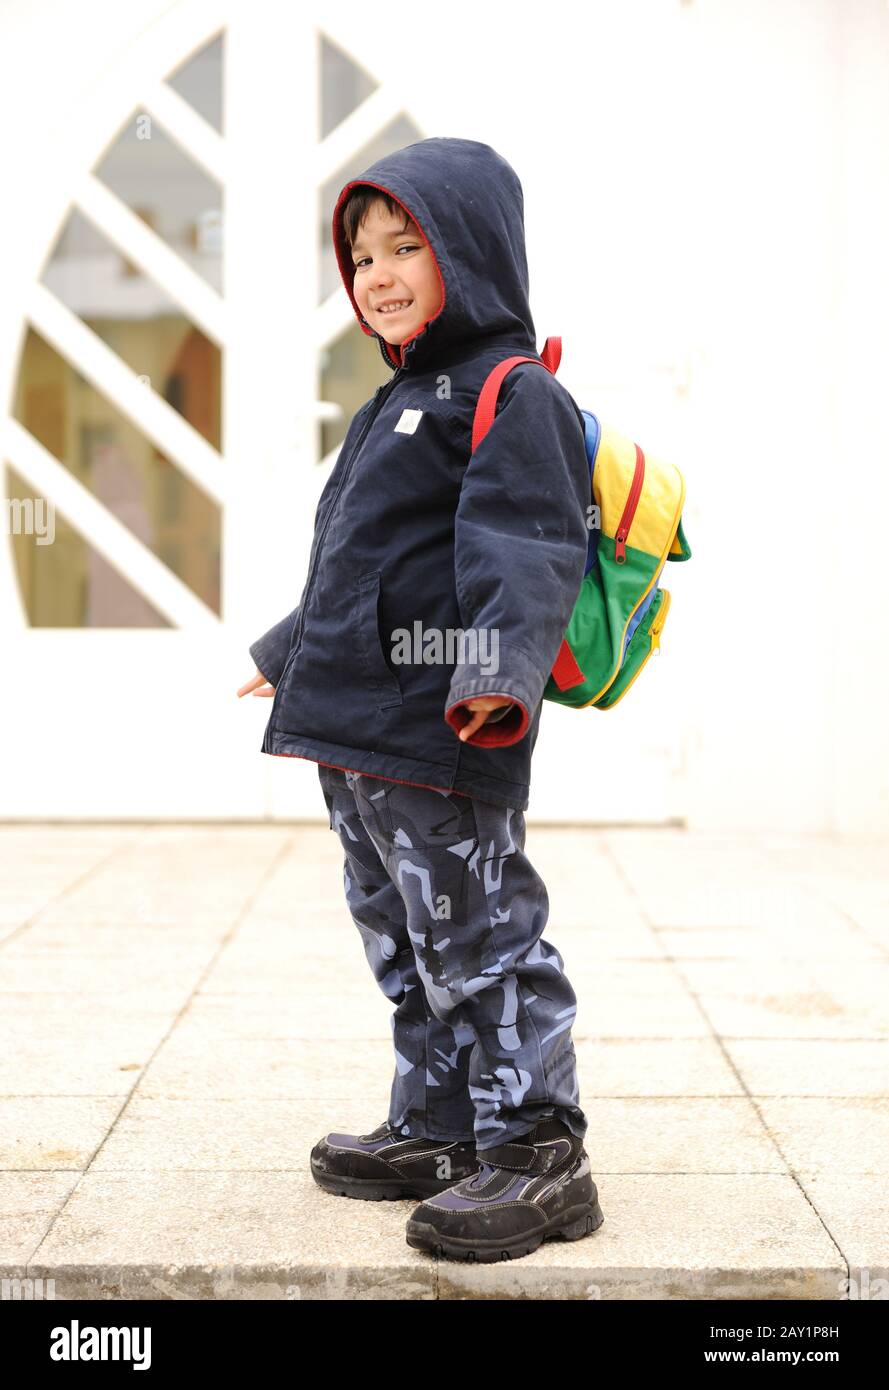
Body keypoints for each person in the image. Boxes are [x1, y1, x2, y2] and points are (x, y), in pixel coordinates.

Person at [237, 137, 604, 1263]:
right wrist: (291, 647)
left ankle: (538, 1149)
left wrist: (496, 675)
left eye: (408, 246)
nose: (379, 272)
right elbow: (358, 563)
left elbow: (521, 544)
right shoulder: (391, 403)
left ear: (473, 251)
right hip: (356, 732)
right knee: (403, 938)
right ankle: (443, 1126)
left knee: (479, 938)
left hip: (443, 732)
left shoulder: (510, 392)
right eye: (360, 255)